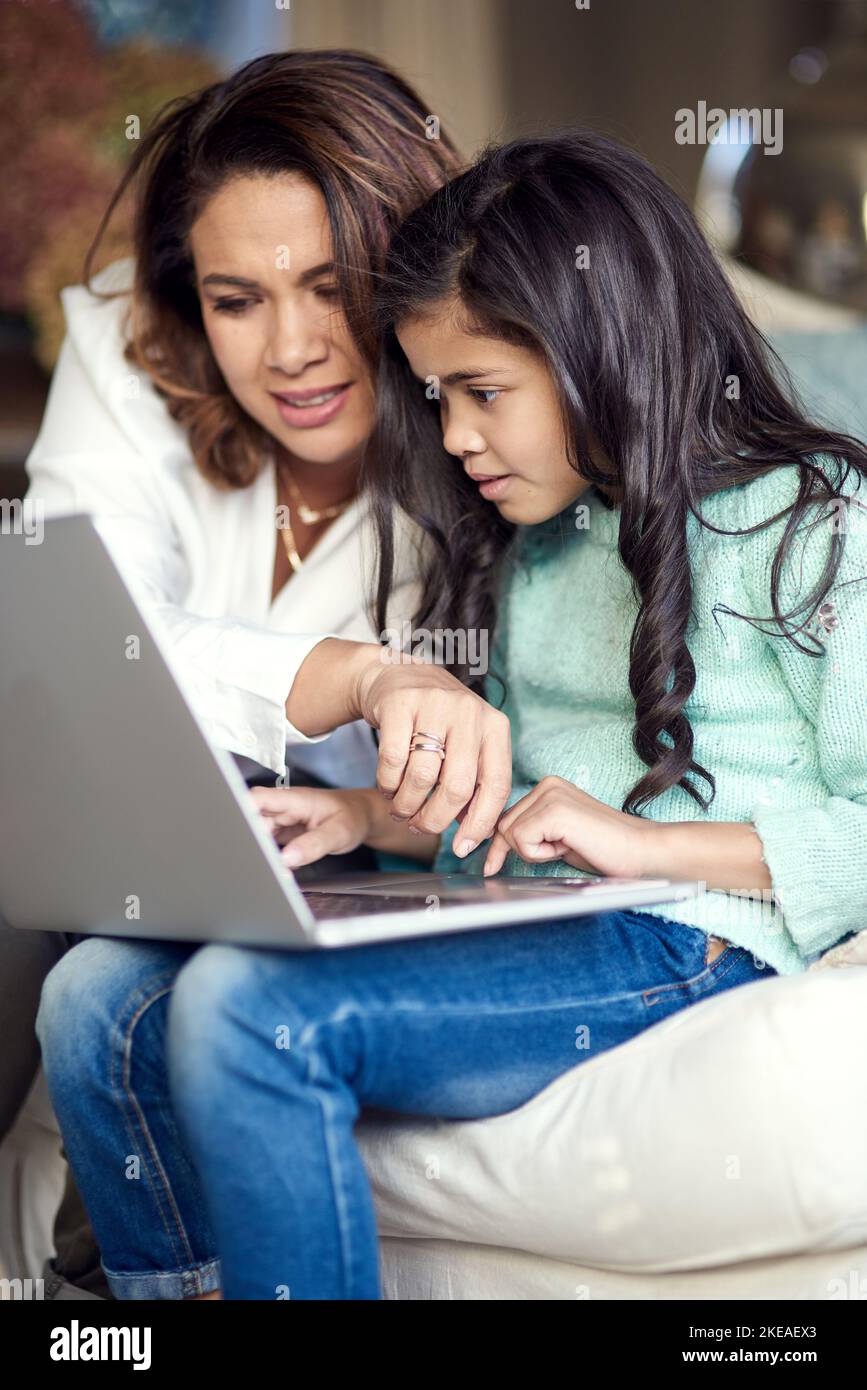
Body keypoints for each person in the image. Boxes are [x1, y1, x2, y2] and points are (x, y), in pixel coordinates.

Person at [36, 130, 867, 1300]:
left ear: (606, 348)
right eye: (437, 397)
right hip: (540, 910)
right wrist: (364, 813)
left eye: (483, 393)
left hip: (692, 934)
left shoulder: (814, 524)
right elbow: (530, 811)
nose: (456, 435)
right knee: (95, 996)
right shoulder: (539, 549)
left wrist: (648, 846)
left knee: (248, 1011)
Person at [3, 49, 508, 1297]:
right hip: (81, 866)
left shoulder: (497, 436)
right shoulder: (128, 346)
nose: (290, 348)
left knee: (93, 990)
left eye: (331, 288)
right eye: (236, 299)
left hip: (337, 898)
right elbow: (80, 635)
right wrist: (357, 676)